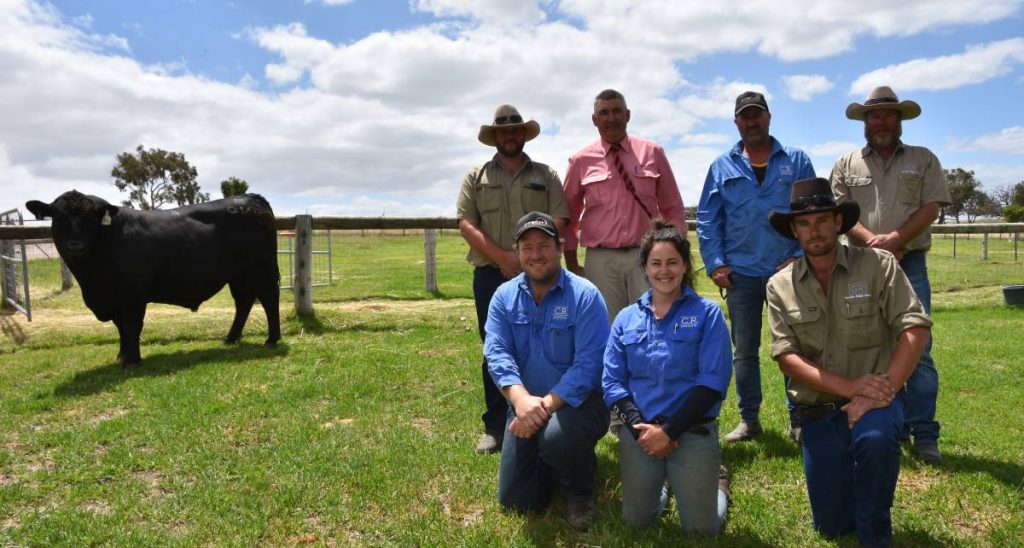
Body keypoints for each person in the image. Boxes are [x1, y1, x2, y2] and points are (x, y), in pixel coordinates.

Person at [765, 177, 932, 547]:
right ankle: (849, 488)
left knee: (875, 440)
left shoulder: (878, 265)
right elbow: (786, 357)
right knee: (832, 526)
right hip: (819, 410)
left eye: (822, 220)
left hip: (878, 401)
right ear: (794, 230)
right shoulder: (779, 285)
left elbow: (915, 328)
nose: (814, 231)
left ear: (838, 222)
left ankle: (876, 530)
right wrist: (851, 389)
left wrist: (878, 392)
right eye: (804, 223)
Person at [830, 86, 951, 465]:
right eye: (874, 116)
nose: (880, 121)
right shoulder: (845, 164)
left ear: (899, 120)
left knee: (918, 347)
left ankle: (925, 434)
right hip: (861, 264)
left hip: (909, 262)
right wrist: (877, 245)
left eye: (887, 114)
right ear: (865, 122)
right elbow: (840, 213)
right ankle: (889, 425)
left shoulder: (923, 159)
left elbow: (931, 207)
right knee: (869, 344)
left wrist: (896, 239)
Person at [697, 90, 816, 443]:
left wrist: (800, 255)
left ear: (768, 117)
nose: (751, 121)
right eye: (745, 116)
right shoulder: (721, 166)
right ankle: (750, 420)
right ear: (736, 122)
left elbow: (813, 211)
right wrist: (716, 264)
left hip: (788, 272)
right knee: (744, 352)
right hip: (741, 275)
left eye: (757, 114)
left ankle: (800, 419)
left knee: (794, 346)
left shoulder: (796, 160)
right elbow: (708, 219)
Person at [603, 219, 732, 533]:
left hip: (692, 431)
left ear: (685, 265)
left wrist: (670, 432)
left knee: (701, 531)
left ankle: (718, 487)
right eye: (656, 263)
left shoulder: (708, 314)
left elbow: (712, 384)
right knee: (637, 521)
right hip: (642, 433)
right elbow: (612, 382)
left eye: (672, 262)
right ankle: (665, 482)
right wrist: (644, 433)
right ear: (645, 268)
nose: (664, 271)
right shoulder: (625, 318)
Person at [484, 211, 611, 531]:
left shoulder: (585, 296)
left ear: (559, 247)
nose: (536, 254)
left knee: (557, 437)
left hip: (579, 404)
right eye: (527, 247)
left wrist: (543, 406)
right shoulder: (503, 297)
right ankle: (554, 461)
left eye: (544, 245)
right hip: (524, 404)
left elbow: (589, 365)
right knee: (517, 501)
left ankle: (580, 490)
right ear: (517, 252)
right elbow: (497, 353)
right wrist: (520, 400)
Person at [456, 104, 569, 454]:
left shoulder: (546, 175)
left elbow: (560, 219)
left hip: (541, 275)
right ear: (495, 137)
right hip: (491, 275)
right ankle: (496, 426)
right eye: (502, 131)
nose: (509, 135)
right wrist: (504, 258)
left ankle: (546, 412)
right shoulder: (476, 177)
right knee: (495, 348)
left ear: (523, 134)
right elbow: (466, 223)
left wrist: (526, 259)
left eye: (515, 129)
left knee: (547, 342)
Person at [563, 89, 687, 322]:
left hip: (648, 255)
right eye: (604, 113)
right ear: (594, 119)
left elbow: (672, 207)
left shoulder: (652, 152)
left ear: (627, 115)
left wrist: (678, 253)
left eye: (617, 111)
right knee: (606, 326)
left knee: (654, 321)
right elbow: (568, 216)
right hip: (601, 260)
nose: (611, 118)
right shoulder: (580, 161)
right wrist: (571, 264)